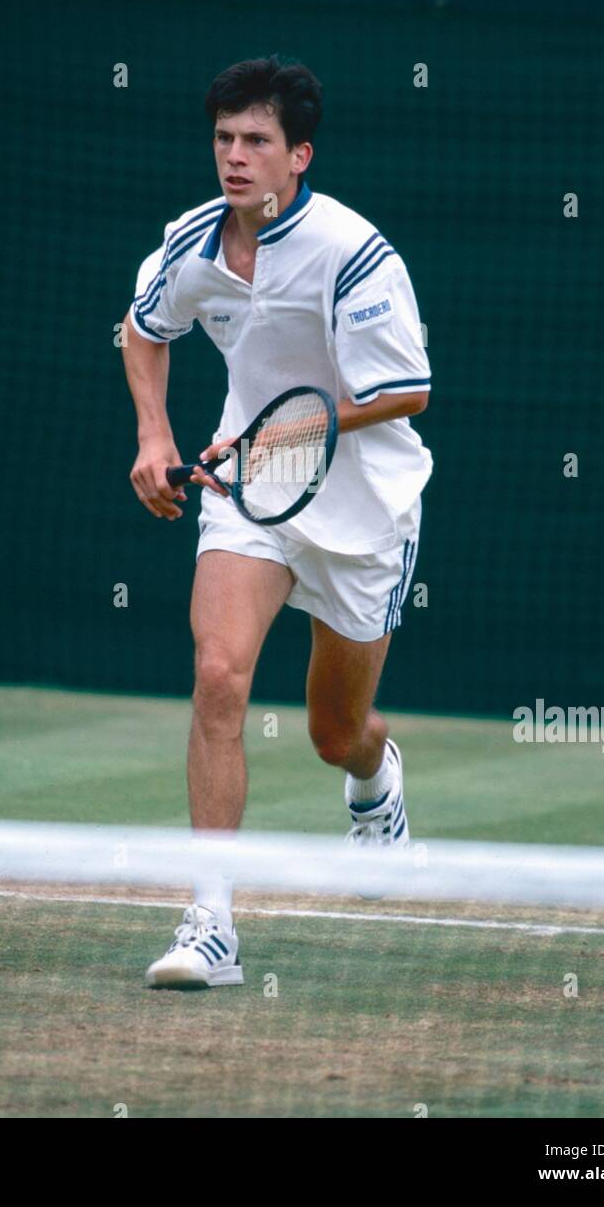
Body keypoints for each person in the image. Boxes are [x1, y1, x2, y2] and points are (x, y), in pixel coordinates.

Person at [122, 56, 433, 989]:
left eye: (257, 140)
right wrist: (154, 434)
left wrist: (298, 429)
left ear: (299, 154)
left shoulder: (352, 251)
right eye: (224, 138)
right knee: (218, 677)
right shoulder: (192, 245)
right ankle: (210, 924)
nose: (236, 156)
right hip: (247, 497)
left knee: (335, 732)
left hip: (362, 512)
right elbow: (142, 329)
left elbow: (410, 388)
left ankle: (376, 788)